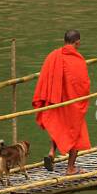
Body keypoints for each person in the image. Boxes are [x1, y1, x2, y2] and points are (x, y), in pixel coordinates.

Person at [34, 29, 91, 175]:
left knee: (58, 125)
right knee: (76, 133)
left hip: (57, 101)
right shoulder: (77, 59)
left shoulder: (53, 56)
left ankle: (52, 151)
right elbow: (83, 84)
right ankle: (70, 168)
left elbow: (45, 78)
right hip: (72, 104)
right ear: (77, 42)